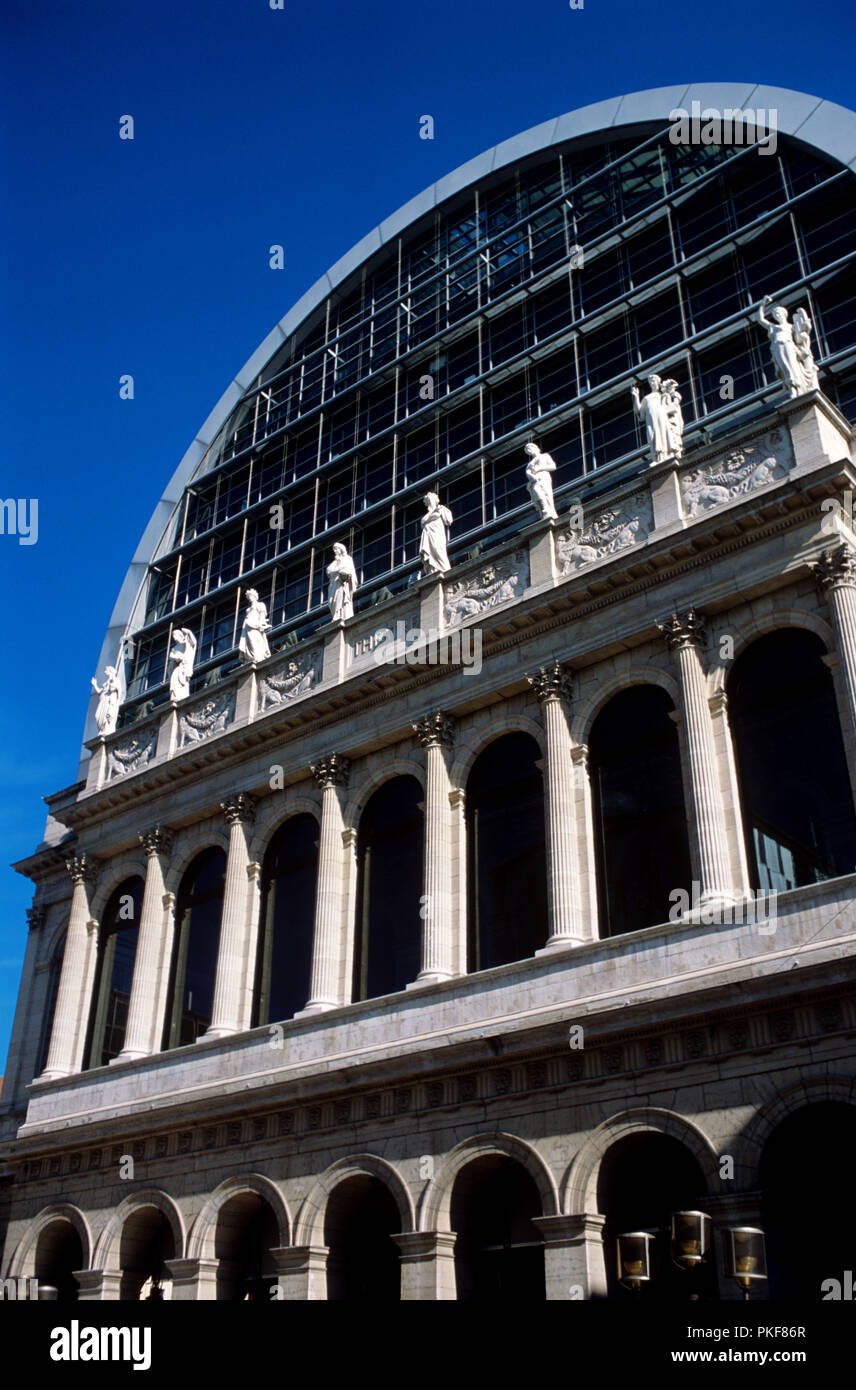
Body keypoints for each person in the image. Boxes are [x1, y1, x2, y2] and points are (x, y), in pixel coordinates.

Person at [758, 297, 804, 397]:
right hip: (777, 347)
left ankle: (799, 388)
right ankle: (792, 389)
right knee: (784, 368)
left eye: (778, 313)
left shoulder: (791, 326)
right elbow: (760, 319)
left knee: (793, 366)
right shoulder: (773, 327)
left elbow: (800, 338)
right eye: (775, 314)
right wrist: (762, 304)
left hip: (788, 345)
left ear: (784, 314)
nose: (777, 316)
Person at [631, 374, 672, 464]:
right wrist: (636, 397)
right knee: (652, 435)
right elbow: (638, 410)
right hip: (651, 419)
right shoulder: (647, 397)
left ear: (658, 383)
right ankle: (657, 458)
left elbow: (669, 404)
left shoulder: (662, 395)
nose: (652, 383)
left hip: (660, 416)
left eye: (654, 381)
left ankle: (664, 456)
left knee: (661, 434)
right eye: (651, 382)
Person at [419, 492, 453, 575]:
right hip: (428, 534)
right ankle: (433, 571)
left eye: (430, 498)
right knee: (430, 552)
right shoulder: (426, 516)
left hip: (437, 533)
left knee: (438, 550)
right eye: (428, 500)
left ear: (435, 500)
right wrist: (433, 515)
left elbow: (449, 520)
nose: (429, 501)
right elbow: (422, 522)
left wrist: (441, 511)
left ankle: (445, 570)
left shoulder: (441, 508)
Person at [523, 442, 559, 520]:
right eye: (528, 451)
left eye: (530, 449)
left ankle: (550, 511)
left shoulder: (544, 456)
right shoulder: (530, 464)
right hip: (534, 481)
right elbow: (528, 473)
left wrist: (539, 468)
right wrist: (531, 476)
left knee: (547, 495)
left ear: (536, 448)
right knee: (537, 493)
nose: (529, 451)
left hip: (544, 477)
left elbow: (553, 466)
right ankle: (544, 509)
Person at [326, 542, 358, 621]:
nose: (335, 551)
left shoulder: (347, 559)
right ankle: (336, 615)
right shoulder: (334, 562)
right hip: (333, 584)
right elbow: (328, 571)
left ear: (341, 549)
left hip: (342, 584)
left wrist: (343, 573)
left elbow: (350, 571)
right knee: (331, 601)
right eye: (334, 549)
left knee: (341, 600)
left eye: (336, 549)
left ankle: (340, 615)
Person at [238, 589, 271, 663]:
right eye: (249, 596)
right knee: (249, 643)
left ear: (255, 596)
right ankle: (251, 659)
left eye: (251, 596)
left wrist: (261, 625)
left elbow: (262, 615)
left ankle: (258, 658)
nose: (250, 597)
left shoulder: (260, 604)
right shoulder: (248, 609)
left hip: (255, 626)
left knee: (255, 642)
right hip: (248, 627)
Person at [91, 664, 122, 735]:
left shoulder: (115, 679)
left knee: (107, 716)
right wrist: (95, 684)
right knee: (97, 715)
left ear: (110, 671)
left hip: (109, 700)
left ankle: (106, 729)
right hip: (103, 700)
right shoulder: (107, 681)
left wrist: (112, 686)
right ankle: (102, 730)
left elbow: (117, 689)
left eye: (106, 670)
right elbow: (100, 692)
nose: (105, 672)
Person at [168, 628, 197, 701]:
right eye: (173, 635)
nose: (174, 637)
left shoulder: (186, 644)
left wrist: (189, 632)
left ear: (180, 635)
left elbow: (194, 643)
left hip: (183, 668)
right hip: (177, 667)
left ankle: (181, 697)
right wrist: (176, 657)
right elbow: (171, 656)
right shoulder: (174, 648)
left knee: (181, 681)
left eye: (175, 635)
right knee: (174, 679)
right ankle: (175, 697)